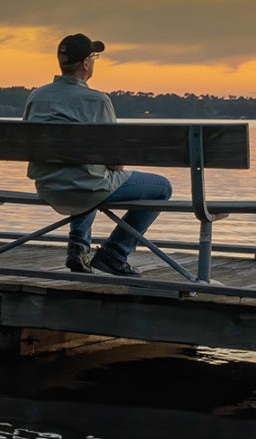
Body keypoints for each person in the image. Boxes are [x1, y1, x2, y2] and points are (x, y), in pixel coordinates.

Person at [22, 34, 172, 276]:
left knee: (85, 174)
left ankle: (79, 248)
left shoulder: (37, 96)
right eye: (93, 57)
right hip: (85, 187)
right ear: (85, 64)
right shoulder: (98, 101)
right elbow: (115, 164)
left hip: (47, 185)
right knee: (161, 187)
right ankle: (115, 254)